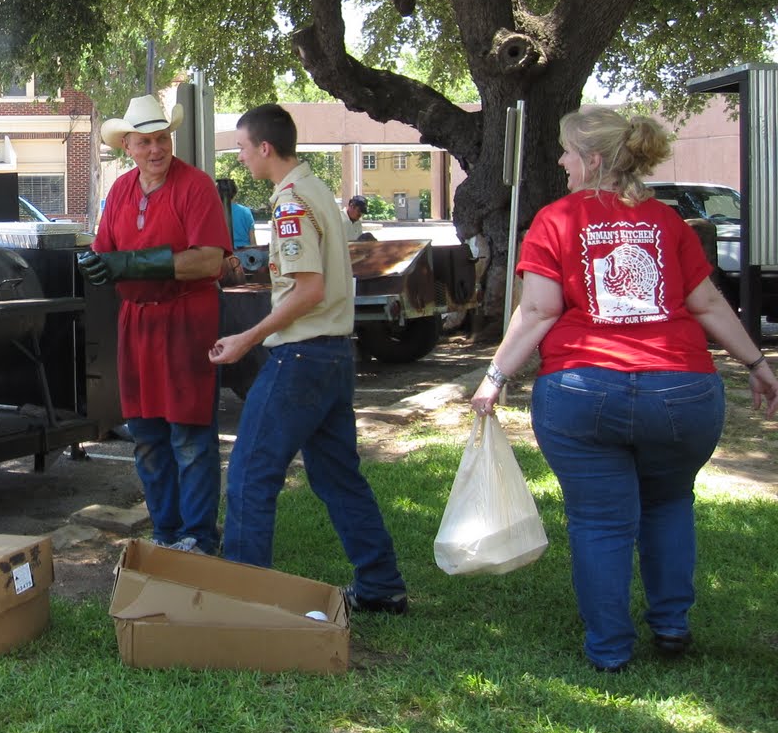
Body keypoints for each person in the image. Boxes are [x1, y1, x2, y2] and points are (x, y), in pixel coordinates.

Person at [471, 108, 777, 672]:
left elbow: (538, 311)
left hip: (583, 392)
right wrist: (757, 362)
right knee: (669, 502)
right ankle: (671, 626)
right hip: (682, 393)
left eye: (566, 152)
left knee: (599, 520)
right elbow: (707, 302)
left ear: (592, 160)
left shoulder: (556, 219)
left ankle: (610, 650)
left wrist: (495, 378)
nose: (560, 161)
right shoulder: (667, 222)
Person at [210, 104, 408, 613]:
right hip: (335, 357)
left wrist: (247, 338)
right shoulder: (317, 189)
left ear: (266, 148)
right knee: (338, 476)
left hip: (299, 358)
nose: (240, 157)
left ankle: (243, 603)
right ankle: (381, 585)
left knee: (251, 476)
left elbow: (308, 290)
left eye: (242, 147)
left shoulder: (291, 201)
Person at [78, 95, 228, 553]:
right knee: (146, 434)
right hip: (137, 325)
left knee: (189, 434)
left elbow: (209, 261)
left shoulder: (196, 185)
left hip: (187, 320)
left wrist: (133, 265)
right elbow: (105, 251)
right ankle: (166, 532)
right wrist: (96, 265)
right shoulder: (121, 190)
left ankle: (198, 536)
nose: (156, 149)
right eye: (145, 142)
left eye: (162, 138)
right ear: (128, 146)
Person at [216, 177, 257, 249]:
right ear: (235, 192)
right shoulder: (245, 211)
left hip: (223, 253)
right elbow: (252, 240)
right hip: (244, 253)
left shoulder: (214, 213)